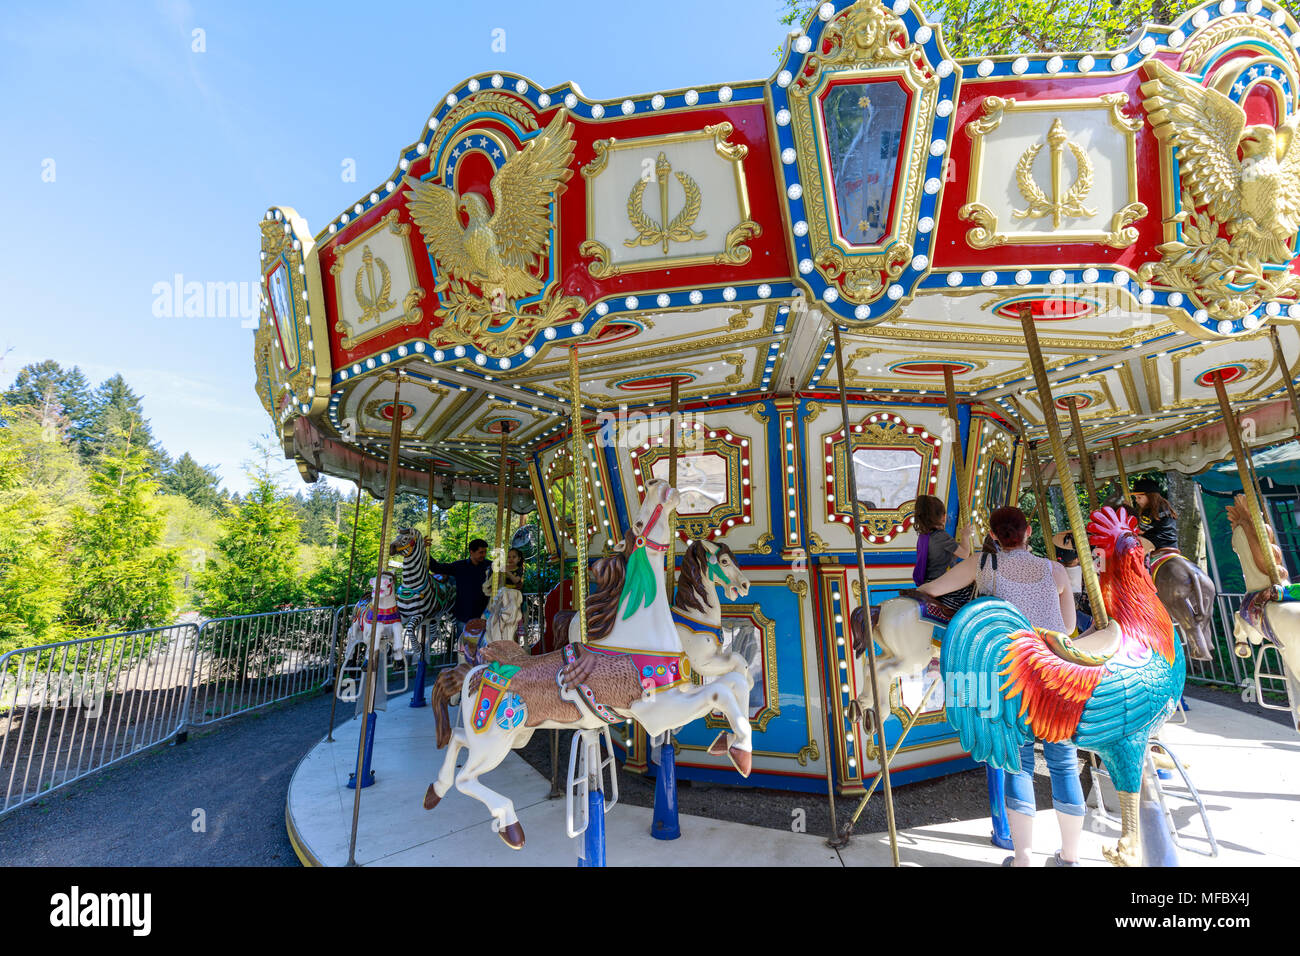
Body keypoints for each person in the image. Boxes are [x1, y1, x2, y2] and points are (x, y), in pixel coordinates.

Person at [917, 506, 1083, 867]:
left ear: (994, 536)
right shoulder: (1054, 570)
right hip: (1055, 679)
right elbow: (1068, 627)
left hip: (1012, 681)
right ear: (1028, 533)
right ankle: (1069, 857)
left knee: (1019, 764)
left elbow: (930, 589)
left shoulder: (984, 565)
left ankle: (1022, 858)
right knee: (1064, 763)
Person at [910, 495, 974, 612]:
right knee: (973, 597)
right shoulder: (941, 536)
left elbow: (940, 557)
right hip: (940, 583)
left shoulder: (924, 537)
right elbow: (965, 554)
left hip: (927, 581)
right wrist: (965, 536)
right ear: (944, 517)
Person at [430, 538, 491, 635]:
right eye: (481, 552)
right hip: (464, 614)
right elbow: (437, 568)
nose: (483, 555)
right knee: (462, 645)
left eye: (485, 552)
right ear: (471, 552)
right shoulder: (459, 566)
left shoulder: (490, 566)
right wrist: (425, 552)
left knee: (482, 646)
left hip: (483, 614)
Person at [1131, 477, 1178, 554]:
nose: (1136, 500)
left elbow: (1140, 531)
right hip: (1171, 544)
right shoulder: (1164, 506)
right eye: (1136, 498)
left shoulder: (1149, 511)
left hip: (1156, 543)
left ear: (1150, 497)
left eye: (1139, 497)